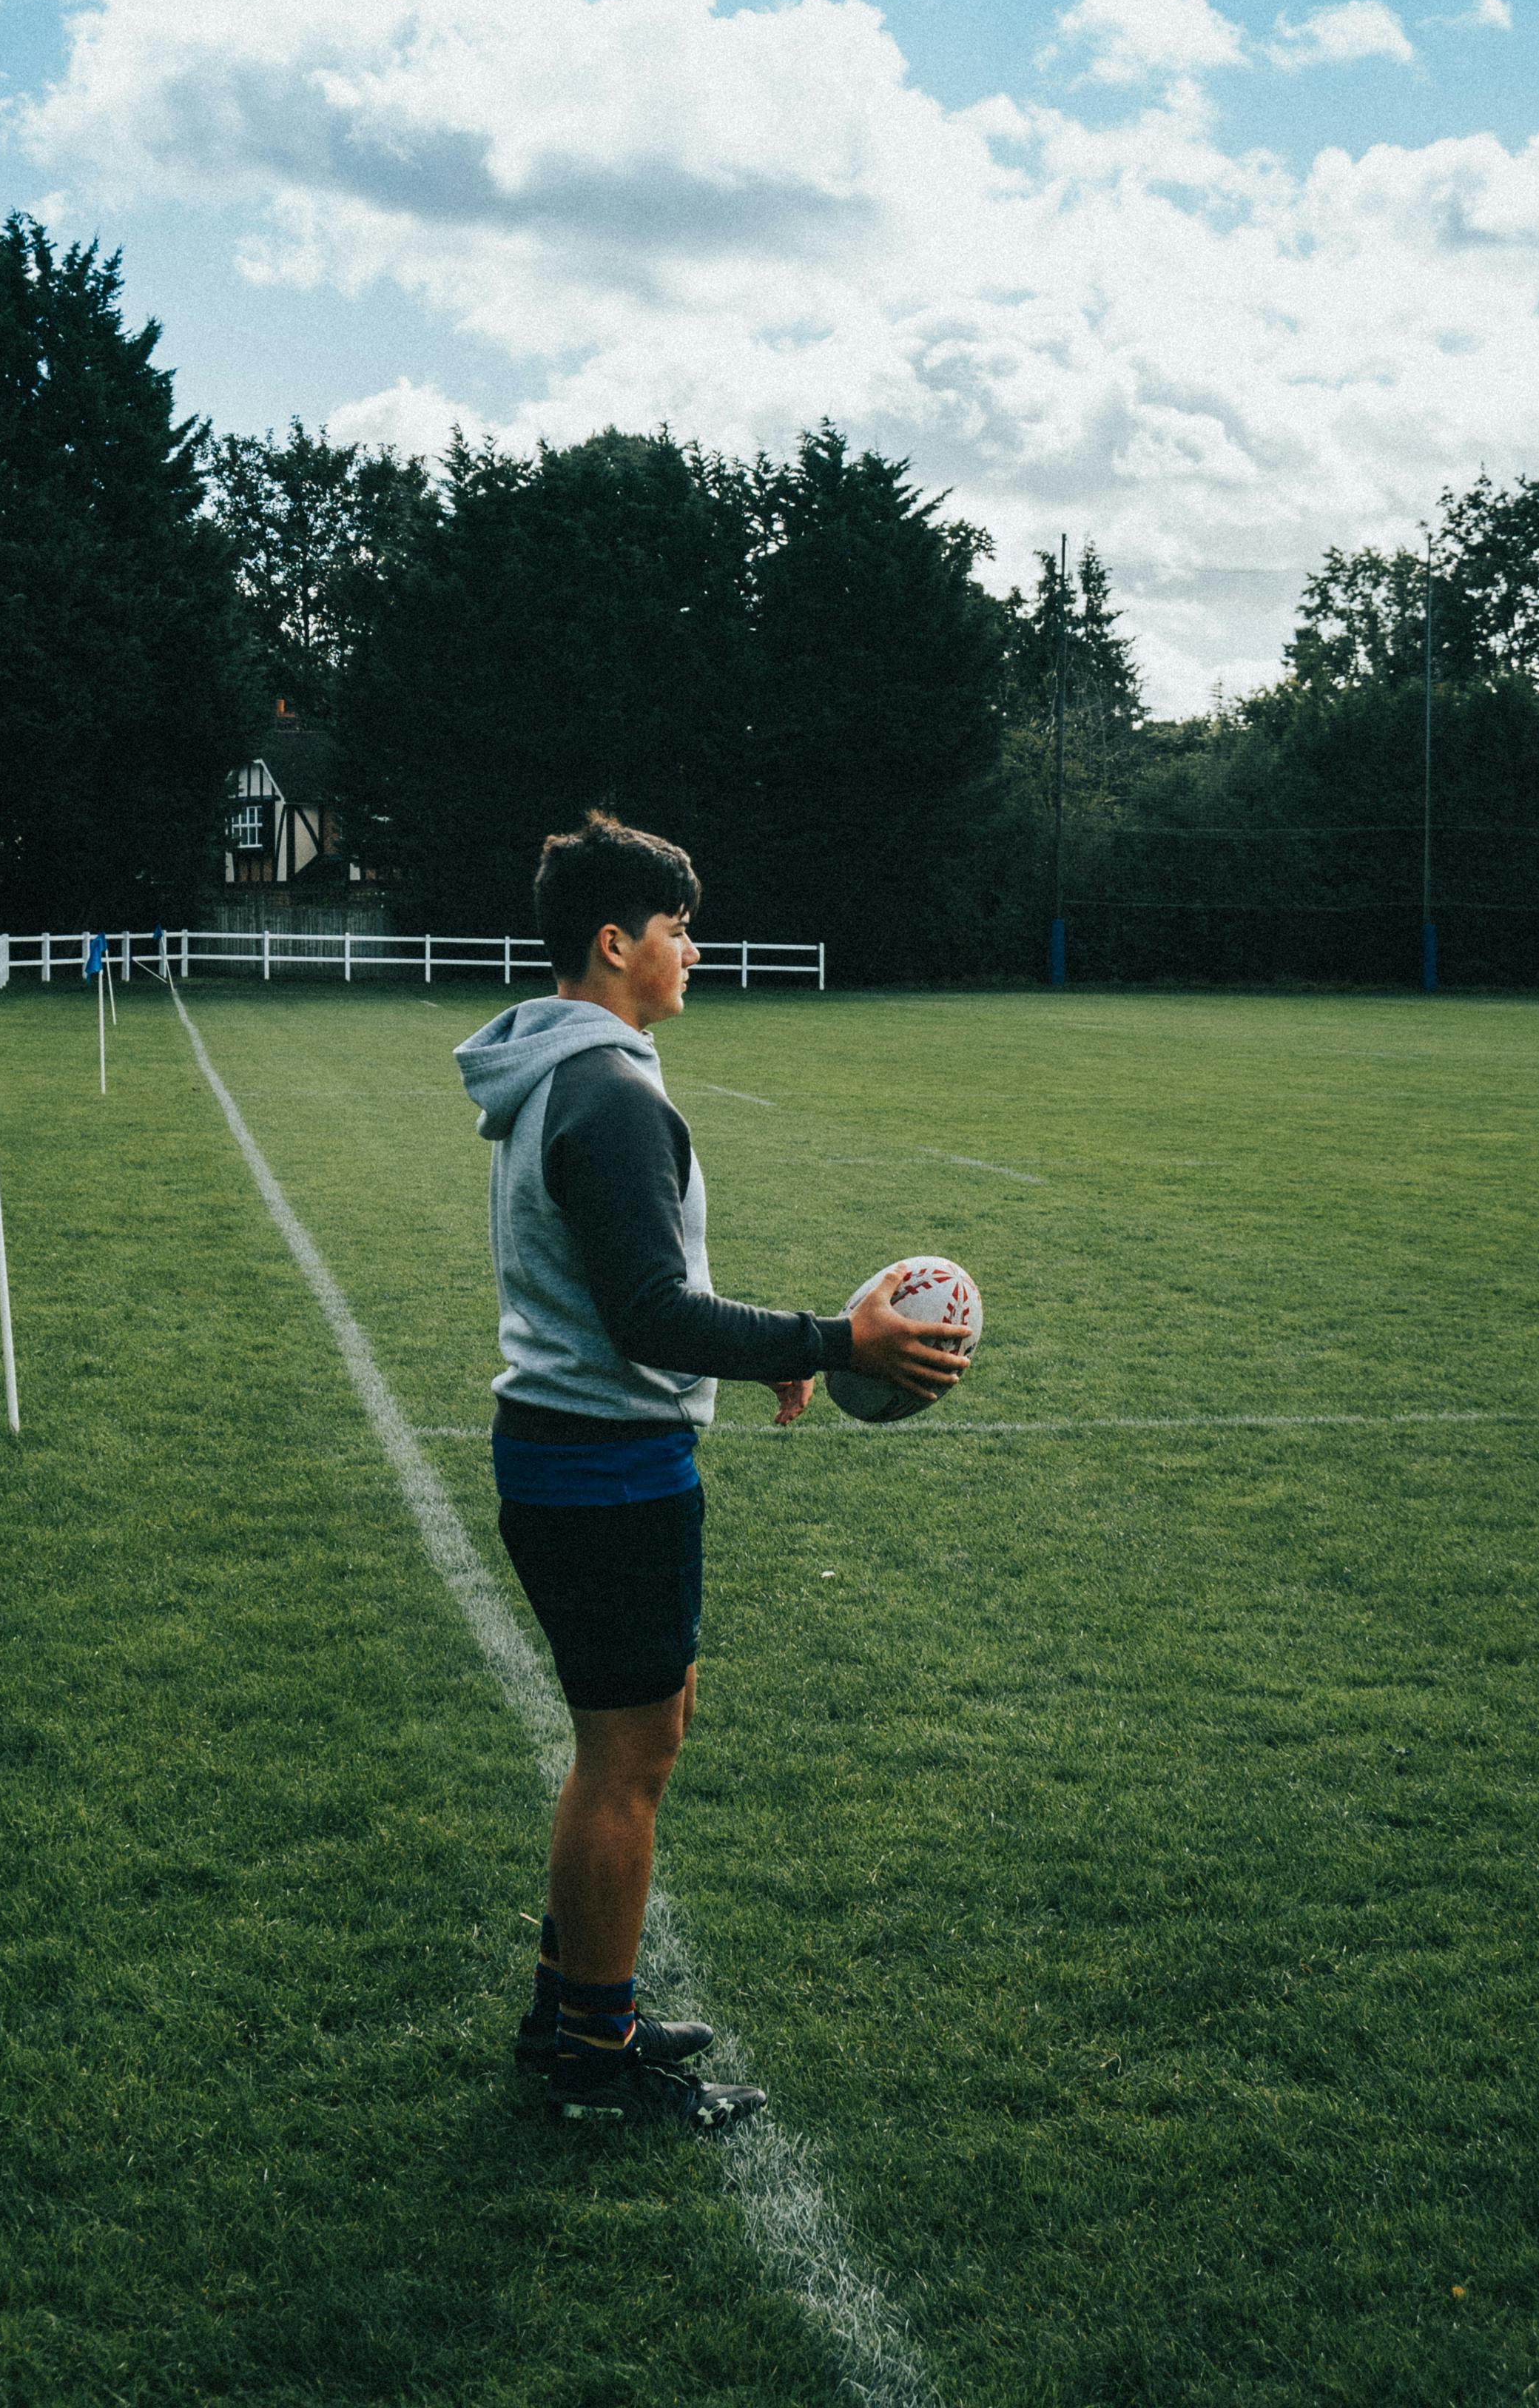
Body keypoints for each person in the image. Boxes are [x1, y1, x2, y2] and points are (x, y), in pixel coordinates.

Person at [454, 815, 974, 2133]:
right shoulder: (612, 1093)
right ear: (615, 942)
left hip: (585, 1453)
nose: (694, 949)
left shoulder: (575, 1076)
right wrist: (832, 1340)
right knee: (624, 1761)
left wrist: (763, 1355)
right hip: (605, 1469)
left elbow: (650, 1298)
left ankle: (574, 2008)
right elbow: (647, 1315)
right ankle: (594, 2062)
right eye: (677, 927)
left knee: (638, 1737)